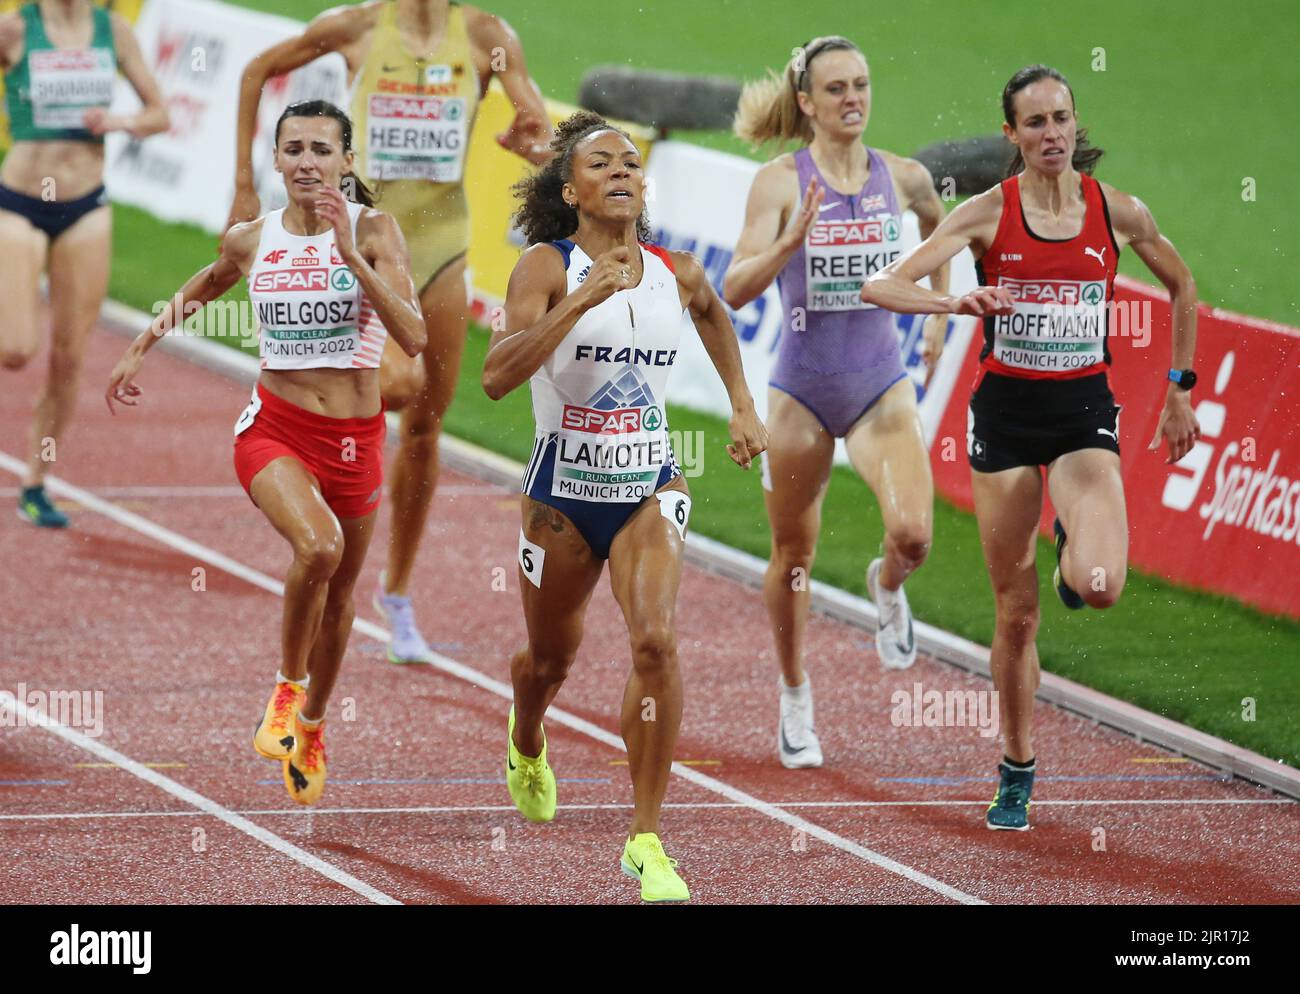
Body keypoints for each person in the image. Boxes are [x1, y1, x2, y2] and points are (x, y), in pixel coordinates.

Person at [861, 64, 1200, 830]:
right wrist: (955, 298)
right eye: (1037, 123)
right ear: (1011, 135)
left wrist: (1181, 387)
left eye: (1063, 119)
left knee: (1103, 583)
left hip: (1083, 420)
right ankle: (1017, 768)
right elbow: (882, 287)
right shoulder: (986, 214)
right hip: (1006, 426)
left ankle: (1071, 540)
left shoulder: (1118, 212)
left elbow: (1183, 288)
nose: (1054, 135)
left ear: (1077, 127)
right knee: (1016, 615)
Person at [482, 111, 768, 902]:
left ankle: (645, 838)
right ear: (571, 189)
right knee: (548, 664)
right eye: (601, 163)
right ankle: (527, 734)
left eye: (631, 164)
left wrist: (742, 404)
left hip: (648, 487)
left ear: (644, 186)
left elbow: (712, 311)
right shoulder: (546, 266)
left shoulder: (676, 271)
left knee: (655, 644)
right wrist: (580, 302)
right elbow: (498, 376)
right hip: (562, 504)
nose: (620, 172)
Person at [107, 101, 426, 805]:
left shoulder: (376, 231)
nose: (307, 162)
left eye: (321, 149)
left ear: (347, 161)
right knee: (319, 549)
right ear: (276, 159)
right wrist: (141, 344)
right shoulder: (253, 238)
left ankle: (311, 725)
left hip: (357, 442)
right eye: (293, 149)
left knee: (341, 598)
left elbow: (414, 335)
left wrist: (350, 259)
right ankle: (288, 687)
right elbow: (210, 279)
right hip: (275, 431)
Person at [228, 0, 554, 664]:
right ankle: (308, 473)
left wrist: (534, 135)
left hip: (442, 248)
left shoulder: (488, 37)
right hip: (367, 244)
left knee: (428, 423)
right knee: (399, 383)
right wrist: (243, 181)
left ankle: (397, 593)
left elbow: (536, 121)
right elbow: (258, 69)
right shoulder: (356, 28)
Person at [723, 36, 949, 769]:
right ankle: (794, 694)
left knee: (914, 535)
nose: (853, 98)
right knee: (793, 557)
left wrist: (939, 319)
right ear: (808, 103)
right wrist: (790, 242)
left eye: (862, 84)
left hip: (880, 385)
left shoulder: (905, 177)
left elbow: (943, 238)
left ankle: (886, 584)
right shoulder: (779, 183)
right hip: (801, 393)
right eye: (837, 88)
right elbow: (732, 289)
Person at [1, 0, 168, 526]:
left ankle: (36, 480)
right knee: (14, 349)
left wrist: (119, 120)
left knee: (70, 358)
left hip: (86, 206)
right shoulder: (14, 29)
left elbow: (159, 113)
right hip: (20, 201)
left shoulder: (112, 31)